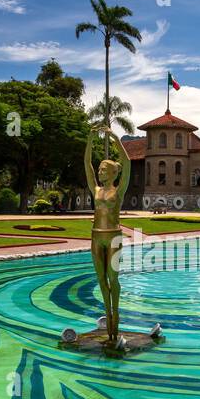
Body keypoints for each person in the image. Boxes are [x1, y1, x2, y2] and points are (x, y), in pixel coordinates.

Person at [85, 128, 131, 345]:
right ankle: (108, 314)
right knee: (101, 279)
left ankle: (116, 313)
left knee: (113, 278)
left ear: (113, 173)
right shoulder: (95, 190)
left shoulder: (118, 191)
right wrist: (90, 141)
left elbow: (128, 163)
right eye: (100, 169)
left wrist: (115, 139)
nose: (100, 172)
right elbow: (87, 166)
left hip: (113, 236)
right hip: (96, 237)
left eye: (104, 169)